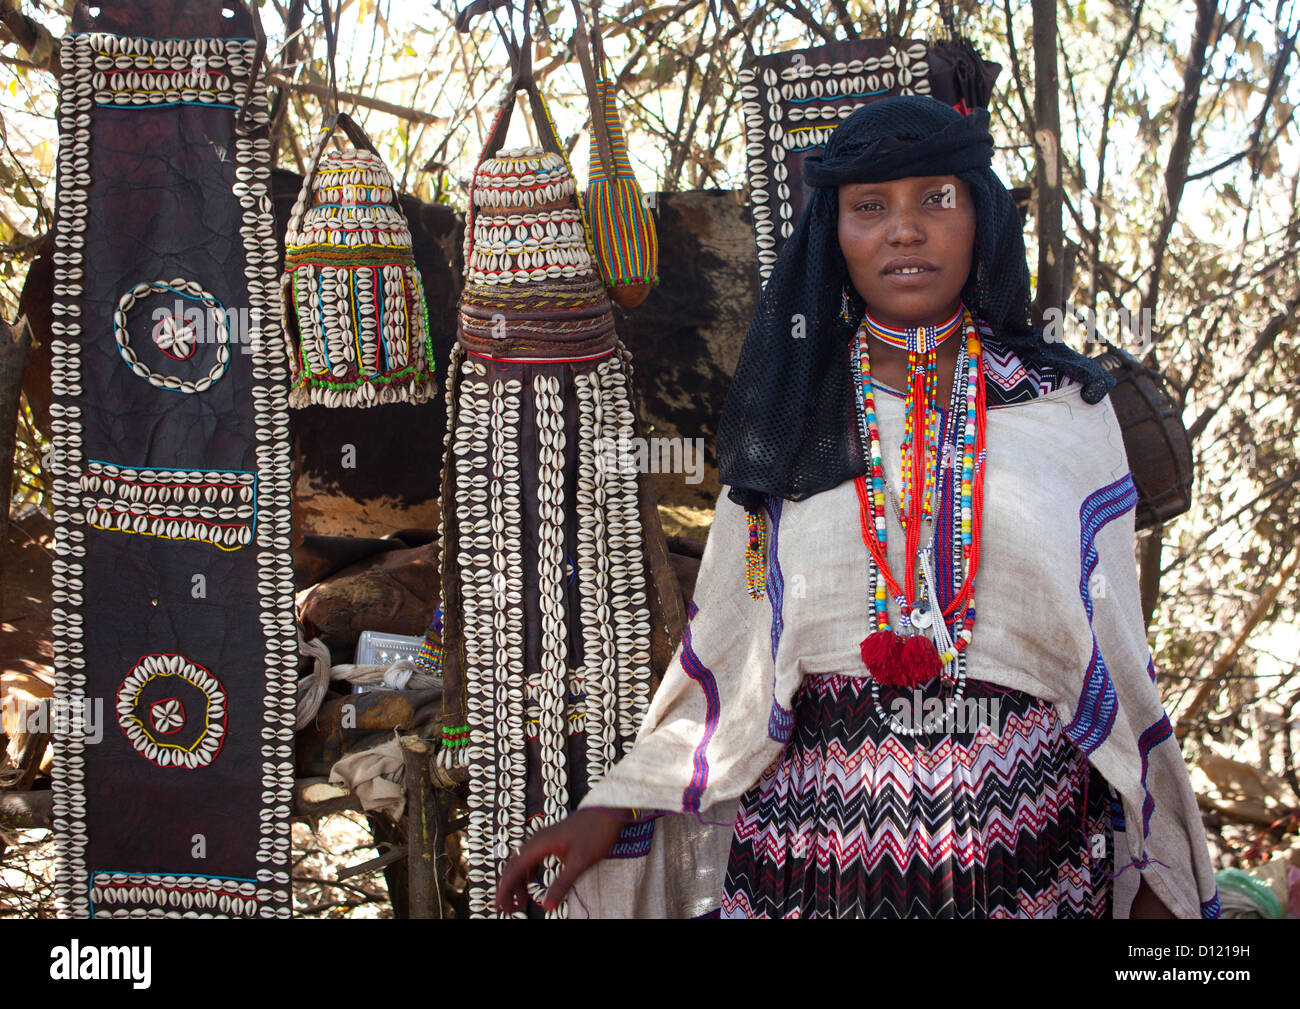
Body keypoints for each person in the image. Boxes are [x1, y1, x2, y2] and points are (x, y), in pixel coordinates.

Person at [495, 95, 1220, 918]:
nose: (904, 231)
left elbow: (1118, 672)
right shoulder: (790, 424)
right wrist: (614, 803)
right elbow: (732, 660)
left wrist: (1158, 877)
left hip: (1028, 862)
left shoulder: (1067, 415)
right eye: (869, 207)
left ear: (979, 214)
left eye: (935, 199)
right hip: (811, 871)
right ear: (832, 234)